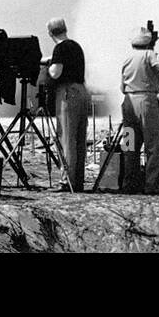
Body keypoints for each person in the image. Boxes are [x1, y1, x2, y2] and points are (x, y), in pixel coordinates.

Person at [120, 25, 159, 194]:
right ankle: (151, 185)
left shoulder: (127, 58)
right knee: (154, 144)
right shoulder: (149, 55)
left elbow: (122, 86)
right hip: (146, 101)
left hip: (128, 102)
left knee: (129, 144)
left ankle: (129, 183)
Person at [45, 16, 88, 192]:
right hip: (81, 91)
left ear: (50, 33)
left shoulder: (60, 48)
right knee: (79, 138)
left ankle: (67, 181)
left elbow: (56, 73)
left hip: (67, 92)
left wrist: (48, 67)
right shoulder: (76, 46)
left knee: (67, 138)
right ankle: (77, 180)